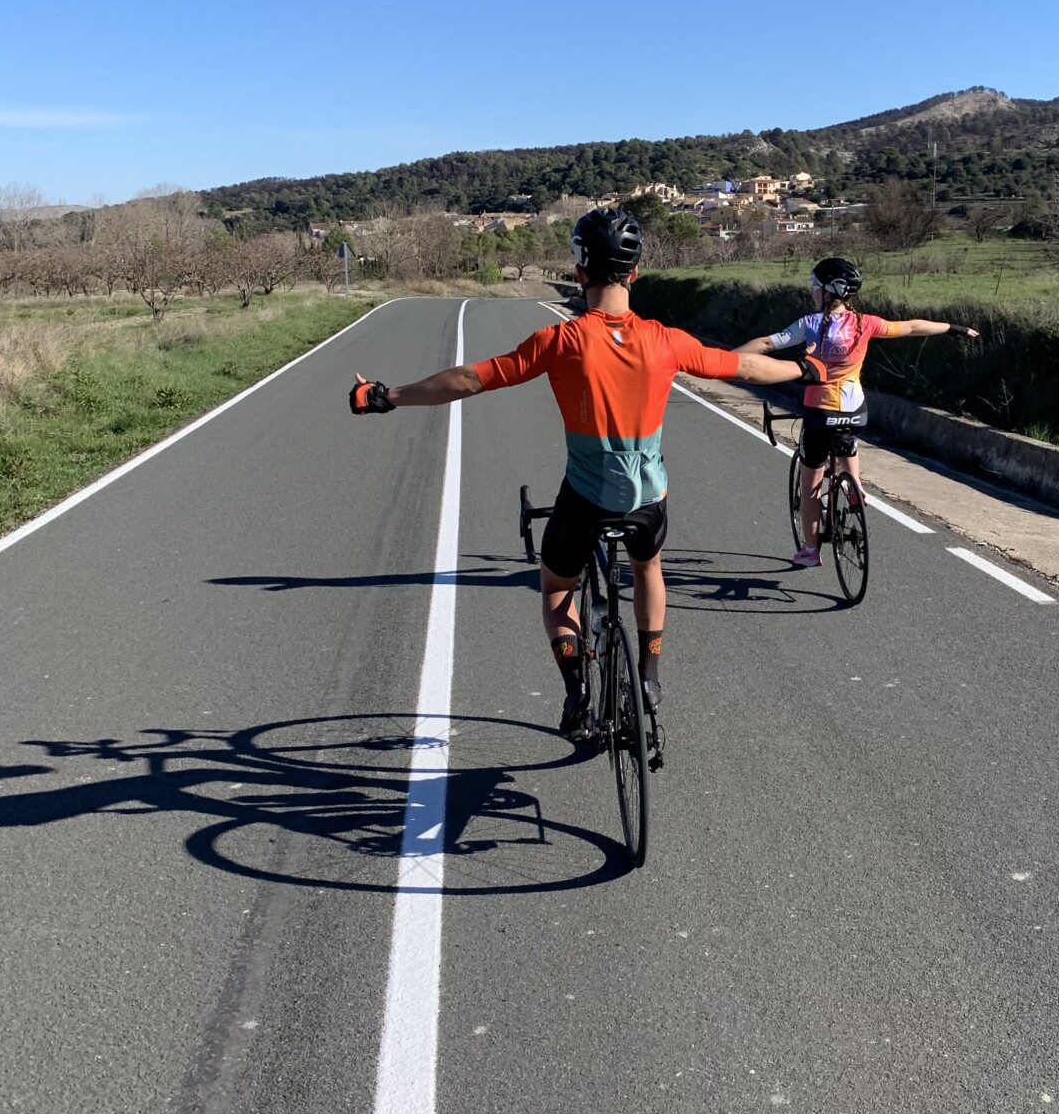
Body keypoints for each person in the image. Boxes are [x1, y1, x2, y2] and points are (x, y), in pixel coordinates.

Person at [348, 207, 822, 737]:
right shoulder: (667, 340)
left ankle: (576, 691)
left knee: (554, 590)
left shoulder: (562, 341)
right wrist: (804, 369)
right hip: (647, 499)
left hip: (586, 500)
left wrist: (386, 396)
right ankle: (649, 674)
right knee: (648, 569)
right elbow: (746, 366)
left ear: (579, 271)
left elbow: (467, 379)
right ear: (635, 272)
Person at [736, 255, 979, 567]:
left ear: (829, 292)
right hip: (856, 411)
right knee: (847, 438)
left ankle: (811, 550)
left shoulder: (809, 326)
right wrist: (954, 328)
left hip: (820, 412)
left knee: (810, 485)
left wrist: (719, 358)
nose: (812, 293)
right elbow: (912, 327)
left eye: (815, 287)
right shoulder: (866, 323)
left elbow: (768, 345)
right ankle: (855, 486)